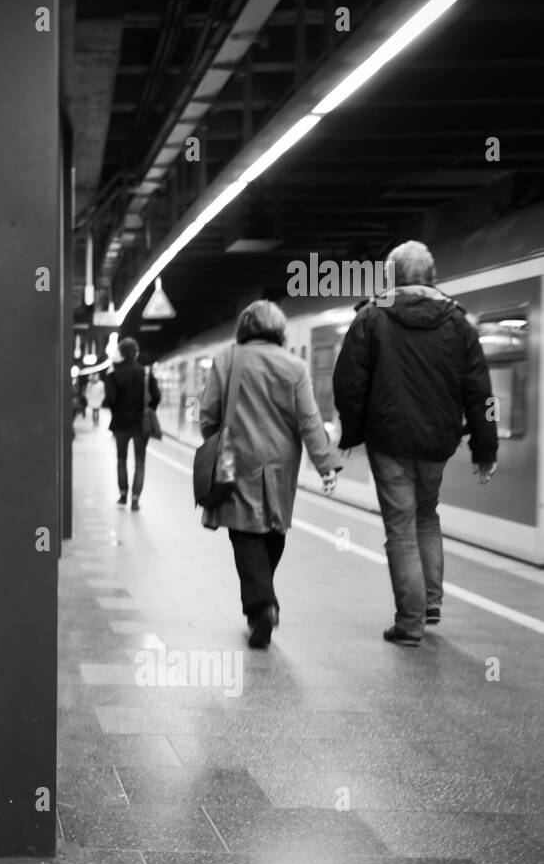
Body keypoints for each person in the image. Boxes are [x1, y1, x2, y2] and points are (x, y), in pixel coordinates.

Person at [332, 240, 497, 647]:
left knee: (401, 527)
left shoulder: (371, 317)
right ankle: (431, 602)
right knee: (427, 515)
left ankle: (410, 622)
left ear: (391, 278)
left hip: (389, 440)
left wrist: (352, 432)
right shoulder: (459, 323)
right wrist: (485, 449)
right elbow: (481, 391)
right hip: (438, 440)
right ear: (432, 278)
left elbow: (348, 382)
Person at [200, 300, 342, 649]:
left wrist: (213, 440)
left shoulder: (226, 359)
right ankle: (260, 605)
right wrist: (326, 464)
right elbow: (310, 420)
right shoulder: (295, 366)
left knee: (244, 536)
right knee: (273, 532)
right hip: (281, 466)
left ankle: (263, 605)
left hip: (235, 461)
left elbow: (208, 413)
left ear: (244, 328)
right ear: (280, 331)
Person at [103, 338, 161, 511]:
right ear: (135, 353)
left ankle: (122, 495)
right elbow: (156, 396)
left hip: (120, 424)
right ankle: (135, 500)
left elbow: (110, 400)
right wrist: (148, 409)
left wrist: (118, 411)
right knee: (140, 462)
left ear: (121, 353)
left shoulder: (113, 375)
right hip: (140, 424)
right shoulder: (146, 373)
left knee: (121, 459)